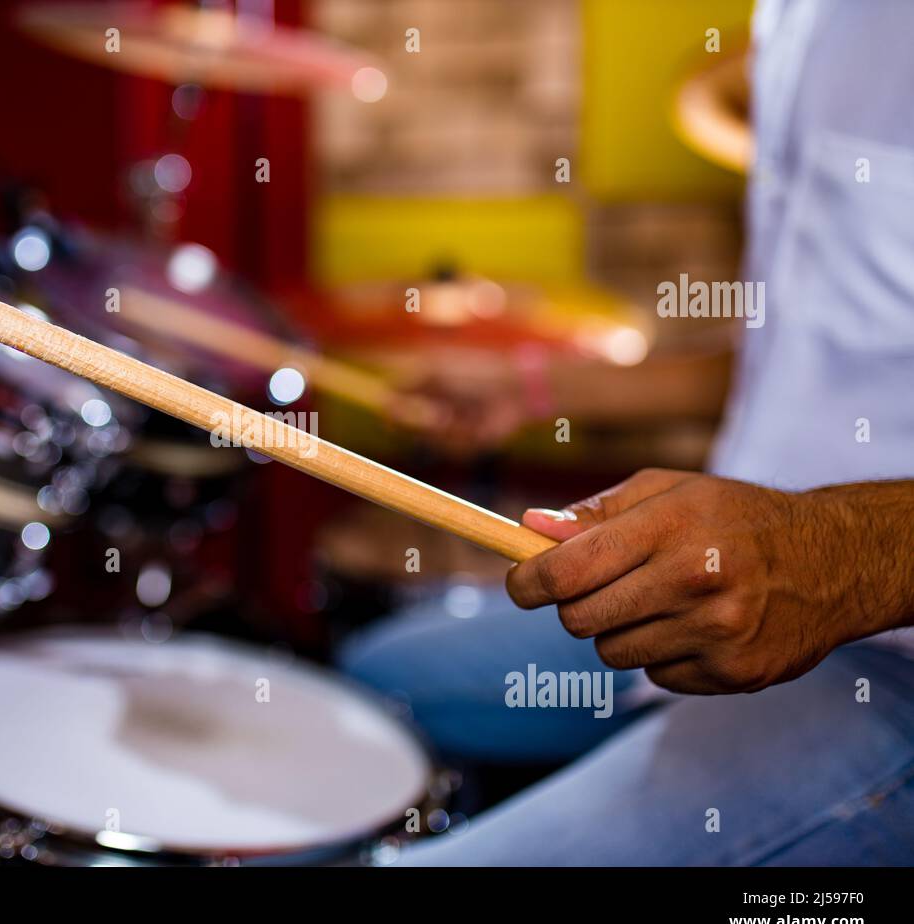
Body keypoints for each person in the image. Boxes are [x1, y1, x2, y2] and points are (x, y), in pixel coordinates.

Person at [340, 0, 914, 864]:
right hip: (731, 590)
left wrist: (832, 554)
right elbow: (820, 343)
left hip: (889, 659)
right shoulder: (806, 18)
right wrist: (536, 387)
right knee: (374, 682)